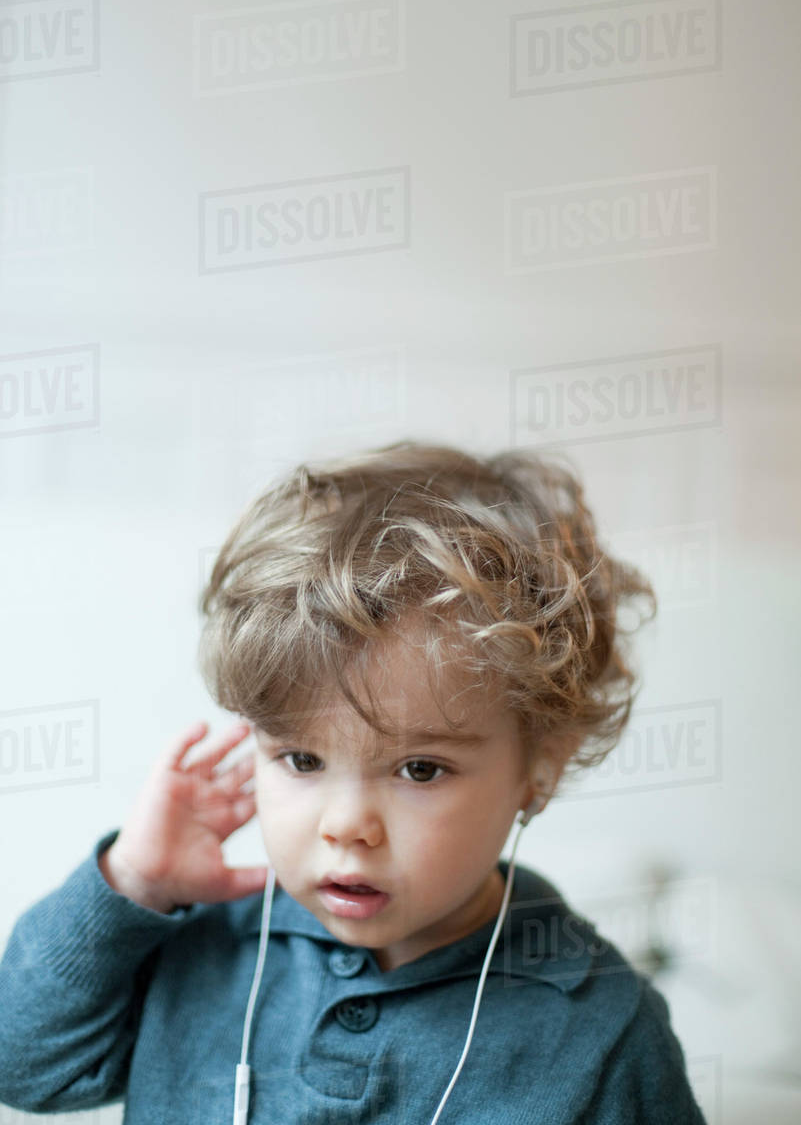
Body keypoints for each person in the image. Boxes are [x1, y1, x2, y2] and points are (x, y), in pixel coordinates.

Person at [0, 440, 707, 1122]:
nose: (345, 826)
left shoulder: (599, 1031)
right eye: (302, 760)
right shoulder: (205, 947)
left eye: (419, 769)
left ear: (540, 767)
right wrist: (132, 884)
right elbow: (24, 1065)